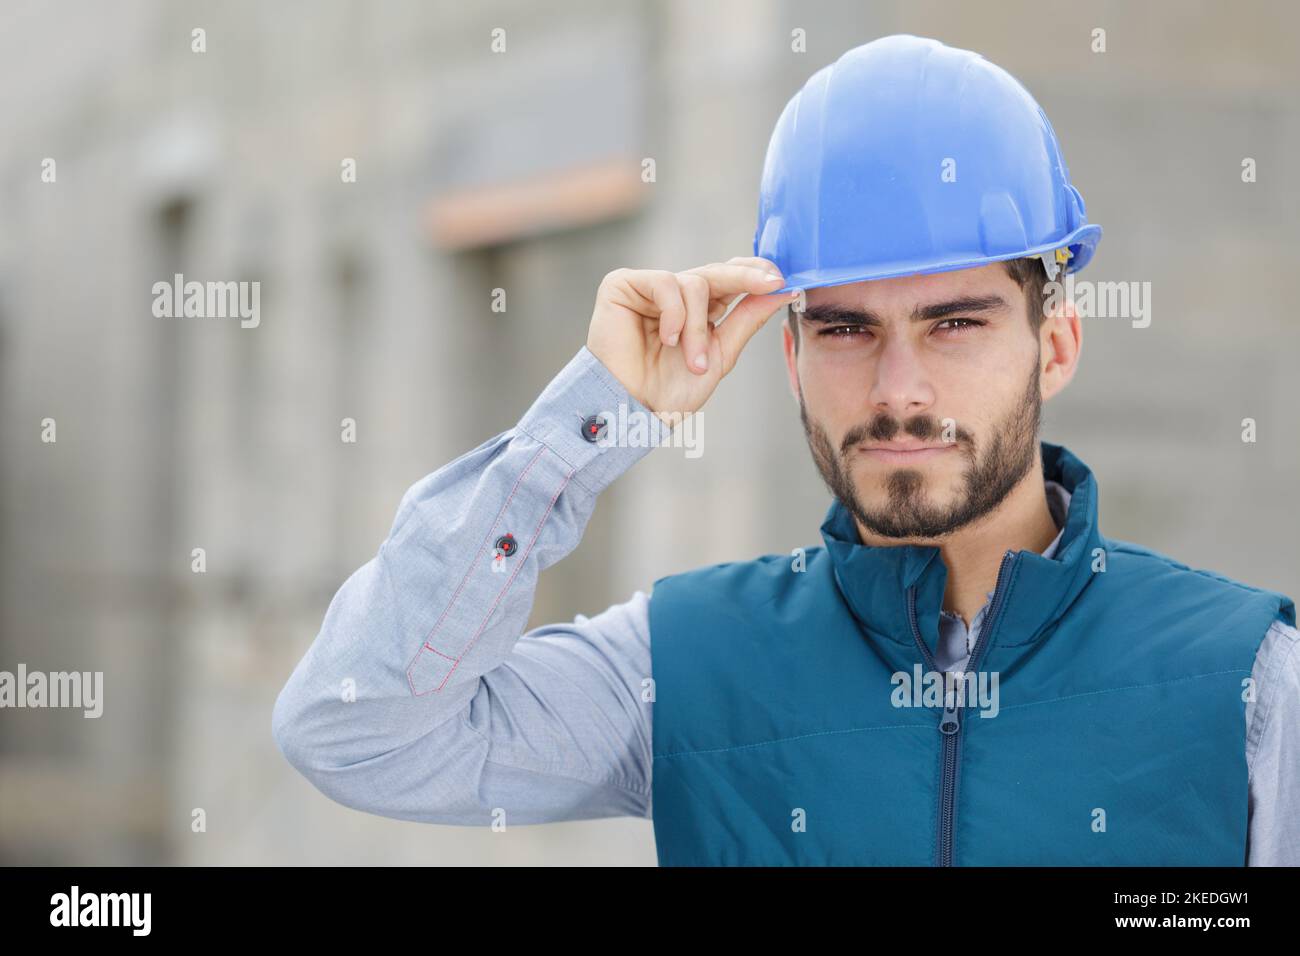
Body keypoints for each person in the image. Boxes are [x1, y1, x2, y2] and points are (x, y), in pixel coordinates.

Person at [272, 35, 1298, 865]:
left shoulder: (1245, 679)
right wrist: (589, 423)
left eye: (955, 323)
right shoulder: (685, 665)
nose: (899, 389)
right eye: (848, 328)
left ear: (1057, 342)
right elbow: (353, 728)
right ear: (790, 356)